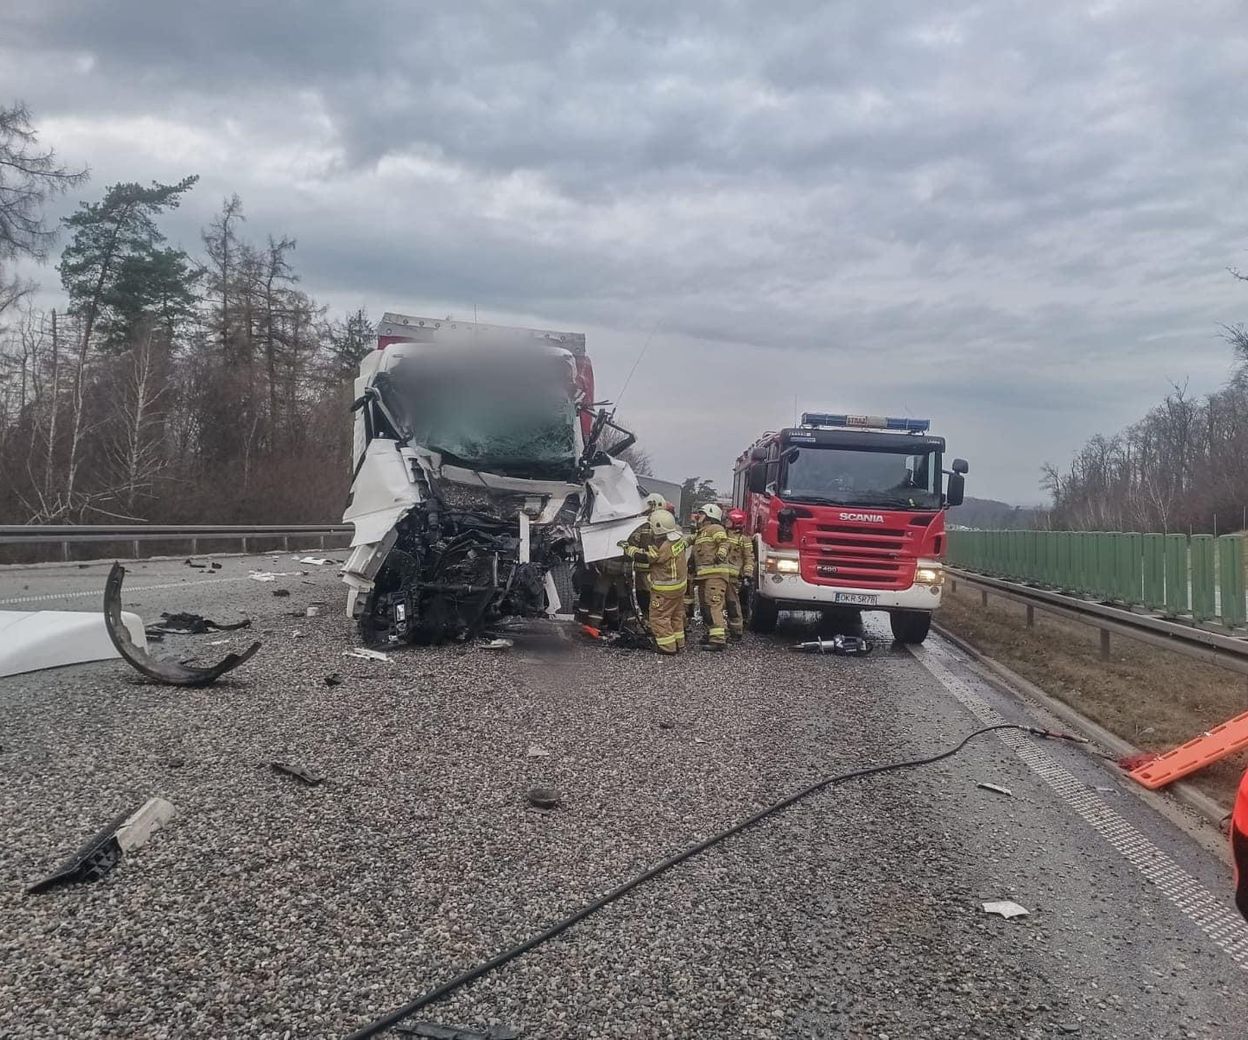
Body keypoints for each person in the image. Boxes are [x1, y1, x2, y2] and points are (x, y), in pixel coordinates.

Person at [622, 509, 687, 655]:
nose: (650, 530)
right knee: (675, 616)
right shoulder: (677, 540)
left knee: (659, 617)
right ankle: (679, 643)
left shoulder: (663, 547)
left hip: (665, 590)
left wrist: (627, 548)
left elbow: (646, 557)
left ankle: (667, 647)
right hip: (679, 588)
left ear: (658, 527)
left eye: (652, 527)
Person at [689, 502, 731, 650]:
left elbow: (724, 543)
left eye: (701, 513)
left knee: (713, 606)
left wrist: (721, 554)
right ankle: (712, 634)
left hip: (715, 576)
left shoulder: (716, 528)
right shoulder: (701, 533)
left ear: (710, 515)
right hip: (703, 577)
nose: (698, 516)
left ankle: (718, 640)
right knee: (705, 607)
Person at [626, 493, 667, 617]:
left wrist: (629, 549)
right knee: (644, 595)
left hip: (650, 569)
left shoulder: (646, 524)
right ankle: (650, 619)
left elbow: (633, 542)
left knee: (650, 597)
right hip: (645, 570)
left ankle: (652, 620)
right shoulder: (659, 524)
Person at [723, 508, 755, 642]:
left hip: (734, 578)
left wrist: (747, 574)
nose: (726, 522)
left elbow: (749, 558)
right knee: (718, 604)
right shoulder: (722, 535)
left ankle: (736, 632)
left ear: (736, 522)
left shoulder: (744, 540)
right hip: (720, 576)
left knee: (732, 604)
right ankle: (718, 631)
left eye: (729, 520)